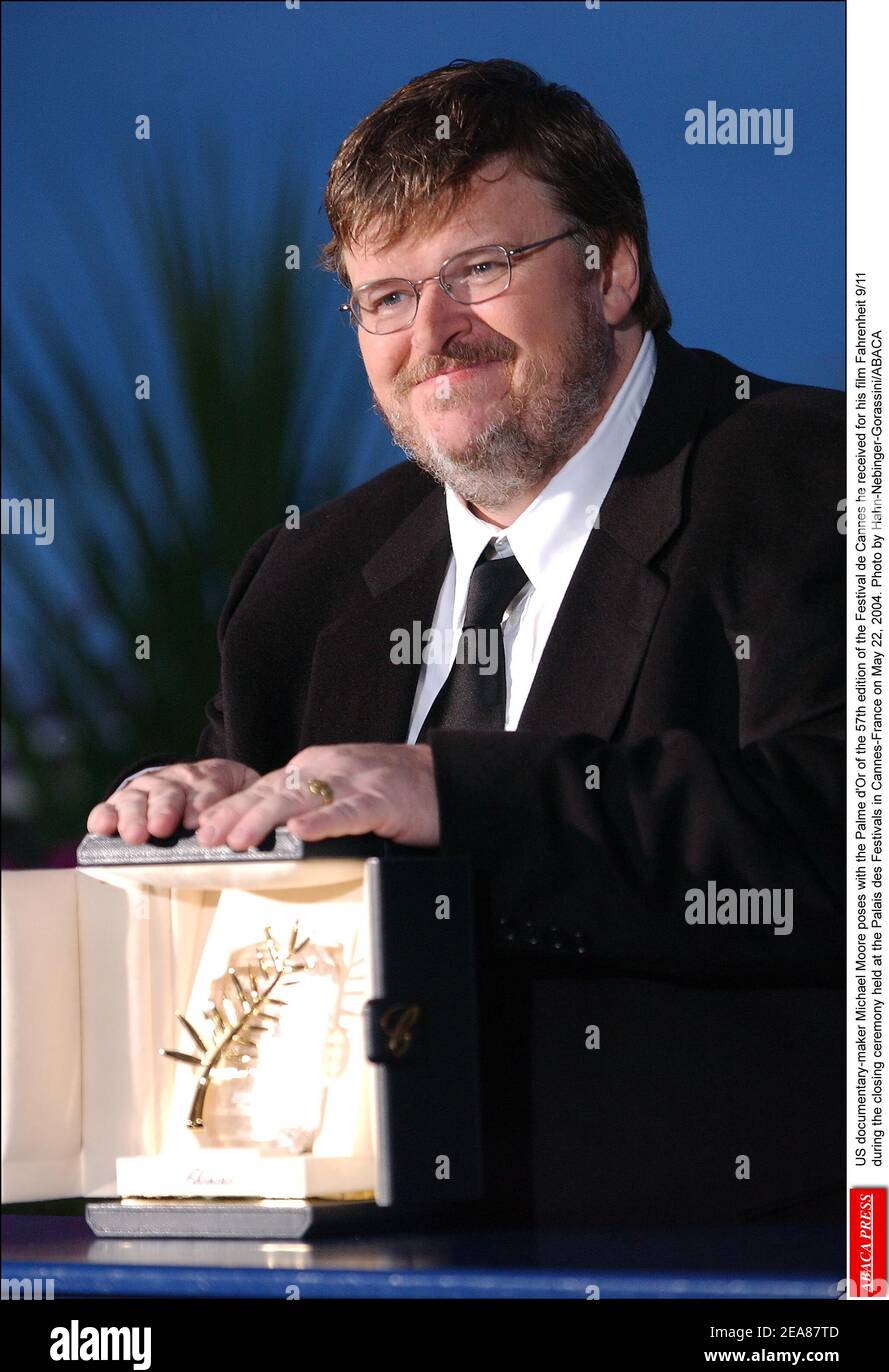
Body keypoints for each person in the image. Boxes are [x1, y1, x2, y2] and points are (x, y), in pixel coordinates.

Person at [86, 59, 844, 1228]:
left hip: (729, 1255)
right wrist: (209, 829)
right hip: (345, 1256)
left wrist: (453, 793)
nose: (431, 333)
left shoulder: (820, 484)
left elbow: (837, 835)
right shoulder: (302, 581)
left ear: (613, 272)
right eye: (385, 297)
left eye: (477, 270)